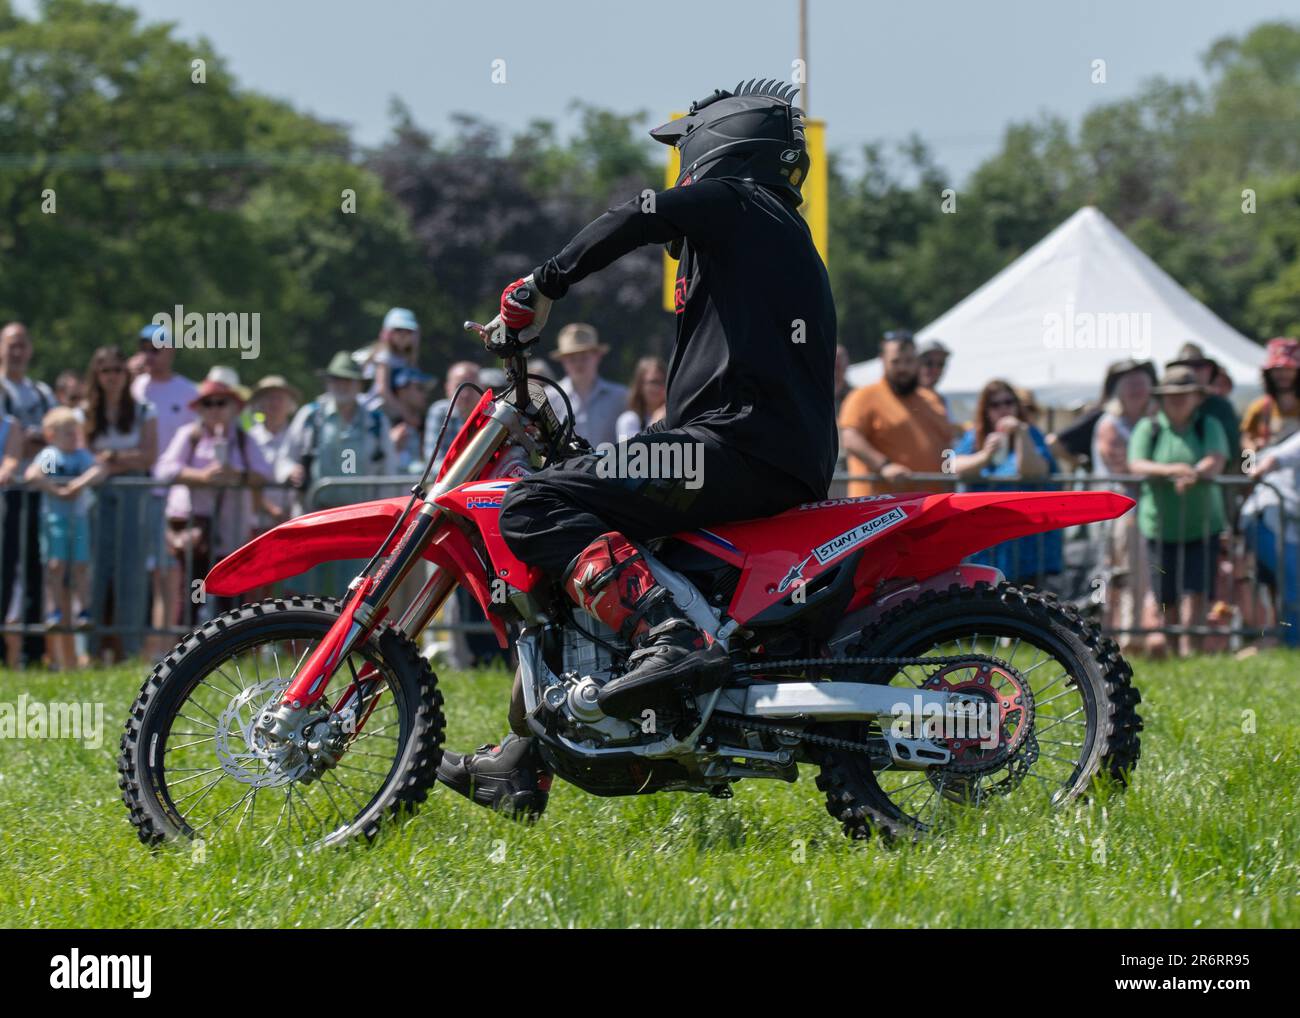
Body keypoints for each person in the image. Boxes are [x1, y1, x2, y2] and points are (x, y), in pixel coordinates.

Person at [438, 78, 836, 817]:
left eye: (685, 152)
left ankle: (667, 635)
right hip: (742, 447)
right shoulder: (765, 238)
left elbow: (637, 214)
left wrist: (539, 285)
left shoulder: (740, 203)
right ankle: (524, 760)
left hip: (731, 447)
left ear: (723, 148)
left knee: (530, 507)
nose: (678, 171)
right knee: (575, 518)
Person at [1128, 365, 1229, 657]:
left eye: (1185, 394)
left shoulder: (1208, 425)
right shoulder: (1149, 428)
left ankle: (1190, 651)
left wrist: (1194, 473)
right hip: (1159, 527)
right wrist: (1174, 470)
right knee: (1165, 595)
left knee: (1197, 590)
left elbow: (1216, 459)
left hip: (1203, 525)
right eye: (1172, 395)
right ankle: (1171, 650)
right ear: (1161, 398)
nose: (1178, 400)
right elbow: (1137, 464)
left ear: (1197, 397)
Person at [155, 374, 270, 625]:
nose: (215, 409)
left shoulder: (243, 439)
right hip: (196, 533)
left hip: (232, 534)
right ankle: (185, 653)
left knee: (230, 599)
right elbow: (164, 470)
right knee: (191, 596)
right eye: (209, 404)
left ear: (234, 408)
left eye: (221, 403)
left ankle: (230, 651)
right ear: (199, 408)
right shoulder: (189, 435)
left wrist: (237, 476)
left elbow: (265, 474)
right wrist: (201, 476)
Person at [85, 346, 158, 661]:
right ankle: (90, 649)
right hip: (93, 500)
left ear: (126, 375)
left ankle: (130, 647)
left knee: (131, 572)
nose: (112, 377)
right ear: (97, 375)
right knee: (93, 571)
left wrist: (110, 461)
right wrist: (115, 463)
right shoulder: (84, 413)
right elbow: (84, 457)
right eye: (106, 371)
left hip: (132, 499)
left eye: (117, 370)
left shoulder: (144, 410)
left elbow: (148, 454)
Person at [951, 380, 1061, 584]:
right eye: (995, 404)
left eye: (1008, 402)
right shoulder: (975, 436)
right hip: (988, 545)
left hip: (1027, 543)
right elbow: (953, 466)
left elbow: (1032, 471)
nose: (1003, 409)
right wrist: (984, 456)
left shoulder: (1030, 433)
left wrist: (1020, 433)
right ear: (985, 410)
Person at [131, 323, 198, 653]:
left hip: (174, 495)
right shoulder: (135, 389)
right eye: (145, 347)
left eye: (157, 347)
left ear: (171, 350)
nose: (150, 355)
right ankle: (141, 647)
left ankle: (165, 648)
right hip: (138, 493)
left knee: (168, 573)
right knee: (139, 573)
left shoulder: (188, 392)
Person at [24, 407, 105, 668]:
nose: (73, 437)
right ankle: (55, 612)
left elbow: (99, 471)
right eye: (67, 433)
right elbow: (33, 475)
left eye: (75, 432)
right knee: (56, 566)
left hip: (78, 520)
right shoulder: (50, 455)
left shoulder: (81, 456)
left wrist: (77, 485)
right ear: (51, 434)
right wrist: (56, 490)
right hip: (55, 520)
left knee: (80, 566)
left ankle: (84, 611)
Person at [0, 322, 56, 666]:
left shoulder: (40, 392)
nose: (17, 352)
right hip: (8, 490)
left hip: (37, 489)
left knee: (38, 565)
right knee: (5, 567)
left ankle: (34, 651)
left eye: (22, 344)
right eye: (11, 345)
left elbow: (58, 432)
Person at [837, 330, 951, 497]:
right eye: (896, 361)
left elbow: (947, 444)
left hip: (930, 505)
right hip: (879, 511)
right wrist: (884, 466)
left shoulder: (931, 400)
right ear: (882, 361)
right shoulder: (863, 396)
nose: (903, 368)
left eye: (909, 361)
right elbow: (850, 438)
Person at [1091, 362, 1155, 650]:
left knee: (1134, 573)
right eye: (1130, 385)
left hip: (1139, 510)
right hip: (1114, 512)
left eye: (1142, 384)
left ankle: (1130, 634)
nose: (1137, 390)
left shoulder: (1150, 423)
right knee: (1116, 574)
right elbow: (1123, 468)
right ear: (1119, 390)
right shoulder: (1110, 424)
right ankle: (1117, 637)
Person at [1245, 426, 1300, 646]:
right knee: (1295, 583)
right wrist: (1254, 471)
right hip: (1266, 519)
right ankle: (1293, 644)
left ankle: (1285, 641)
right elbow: (1274, 458)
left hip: (1286, 526)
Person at [547, 323, 627, 448]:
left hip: (608, 465)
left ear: (598, 356)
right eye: (572, 358)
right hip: (564, 467)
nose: (579, 363)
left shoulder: (620, 396)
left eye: (584, 357)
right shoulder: (549, 397)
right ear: (562, 361)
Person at [1166, 342, 1241, 472]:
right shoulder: (1163, 407)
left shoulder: (1221, 407)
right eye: (1186, 366)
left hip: (1217, 480)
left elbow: (1235, 448)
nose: (1192, 371)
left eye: (1199, 366)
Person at [247, 374, 301, 532]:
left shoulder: (299, 436)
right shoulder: (249, 439)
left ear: (290, 404)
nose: (274, 403)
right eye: (269, 398)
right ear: (259, 404)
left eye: (280, 398)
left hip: (294, 520)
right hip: (257, 523)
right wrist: (271, 509)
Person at [358, 307, 420, 419]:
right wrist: (406, 415)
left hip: (388, 411)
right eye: (398, 330)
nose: (403, 335)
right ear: (388, 332)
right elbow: (382, 390)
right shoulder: (384, 356)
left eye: (408, 331)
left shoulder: (404, 358)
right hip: (371, 411)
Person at [1242, 337, 1300, 453]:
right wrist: (1251, 460)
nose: (1283, 374)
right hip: (1267, 467)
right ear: (1268, 374)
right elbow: (1246, 439)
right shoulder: (1259, 407)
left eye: (1288, 369)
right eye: (1278, 370)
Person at [424, 361, 482, 473]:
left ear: (482, 387)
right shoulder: (439, 412)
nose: (465, 394)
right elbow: (434, 461)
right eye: (459, 386)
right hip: (449, 482)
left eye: (471, 387)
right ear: (447, 388)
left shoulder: (492, 413)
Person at [388, 367, 434, 473]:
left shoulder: (426, 425)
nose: (425, 394)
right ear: (402, 391)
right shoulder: (384, 424)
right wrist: (391, 446)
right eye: (420, 388)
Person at [616, 356, 668, 441]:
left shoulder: (674, 417)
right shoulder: (628, 420)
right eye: (654, 382)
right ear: (640, 386)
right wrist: (657, 422)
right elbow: (629, 452)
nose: (660, 387)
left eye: (664, 381)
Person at [916, 338, 952, 416]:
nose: (935, 369)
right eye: (928, 363)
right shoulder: (905, 398)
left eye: (941, 364)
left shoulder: (942, 401)